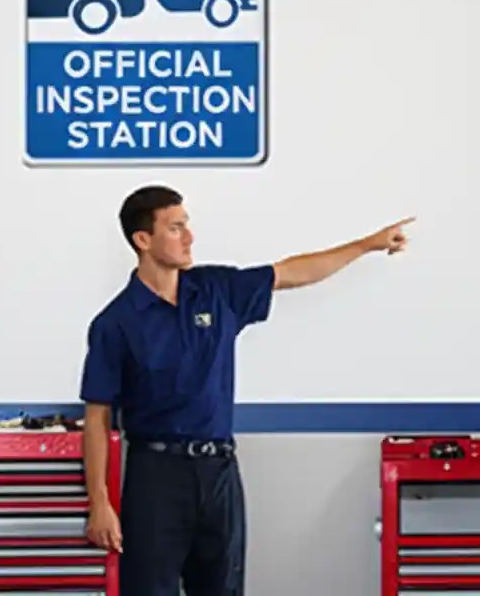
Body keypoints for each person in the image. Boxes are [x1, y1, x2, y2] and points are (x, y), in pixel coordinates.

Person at [77, 184, 413, 595]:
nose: (189, 236)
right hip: (156, 476)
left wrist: (366, 245)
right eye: (176, 227)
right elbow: (97, 417)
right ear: (143, 240)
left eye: (188, 225)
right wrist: (100, 502)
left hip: (219, 471)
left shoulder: (216, 291)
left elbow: (292, 272)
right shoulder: (115, 322)